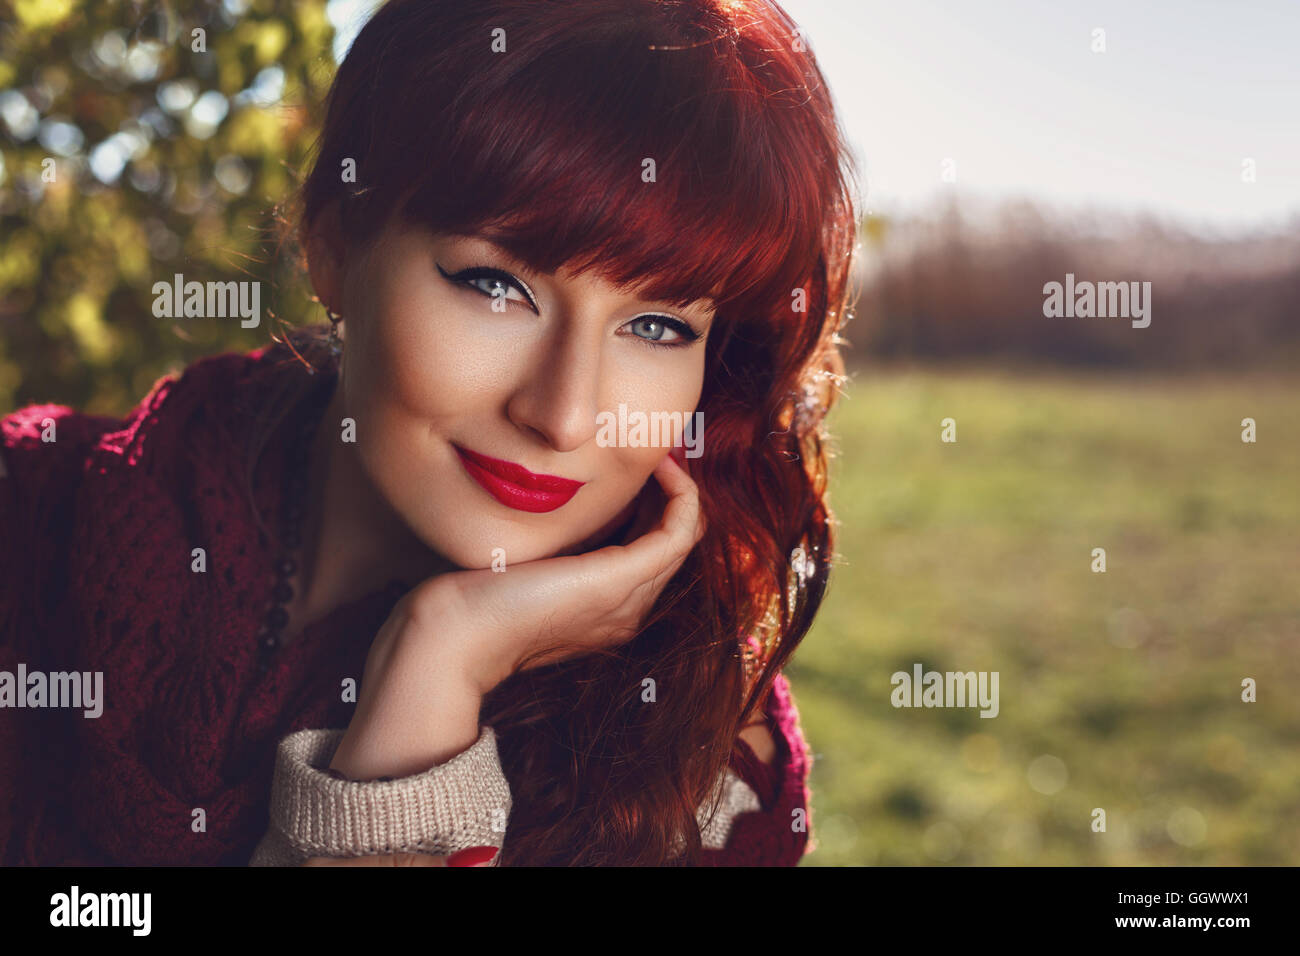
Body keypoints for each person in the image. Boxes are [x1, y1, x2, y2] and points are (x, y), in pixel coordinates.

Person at [0, 0, 858, 866]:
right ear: (334, 248)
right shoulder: (31, 510)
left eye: (659, 326)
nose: (562, 416)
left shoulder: (703, 775)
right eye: (494, 284)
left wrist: (434, 667)